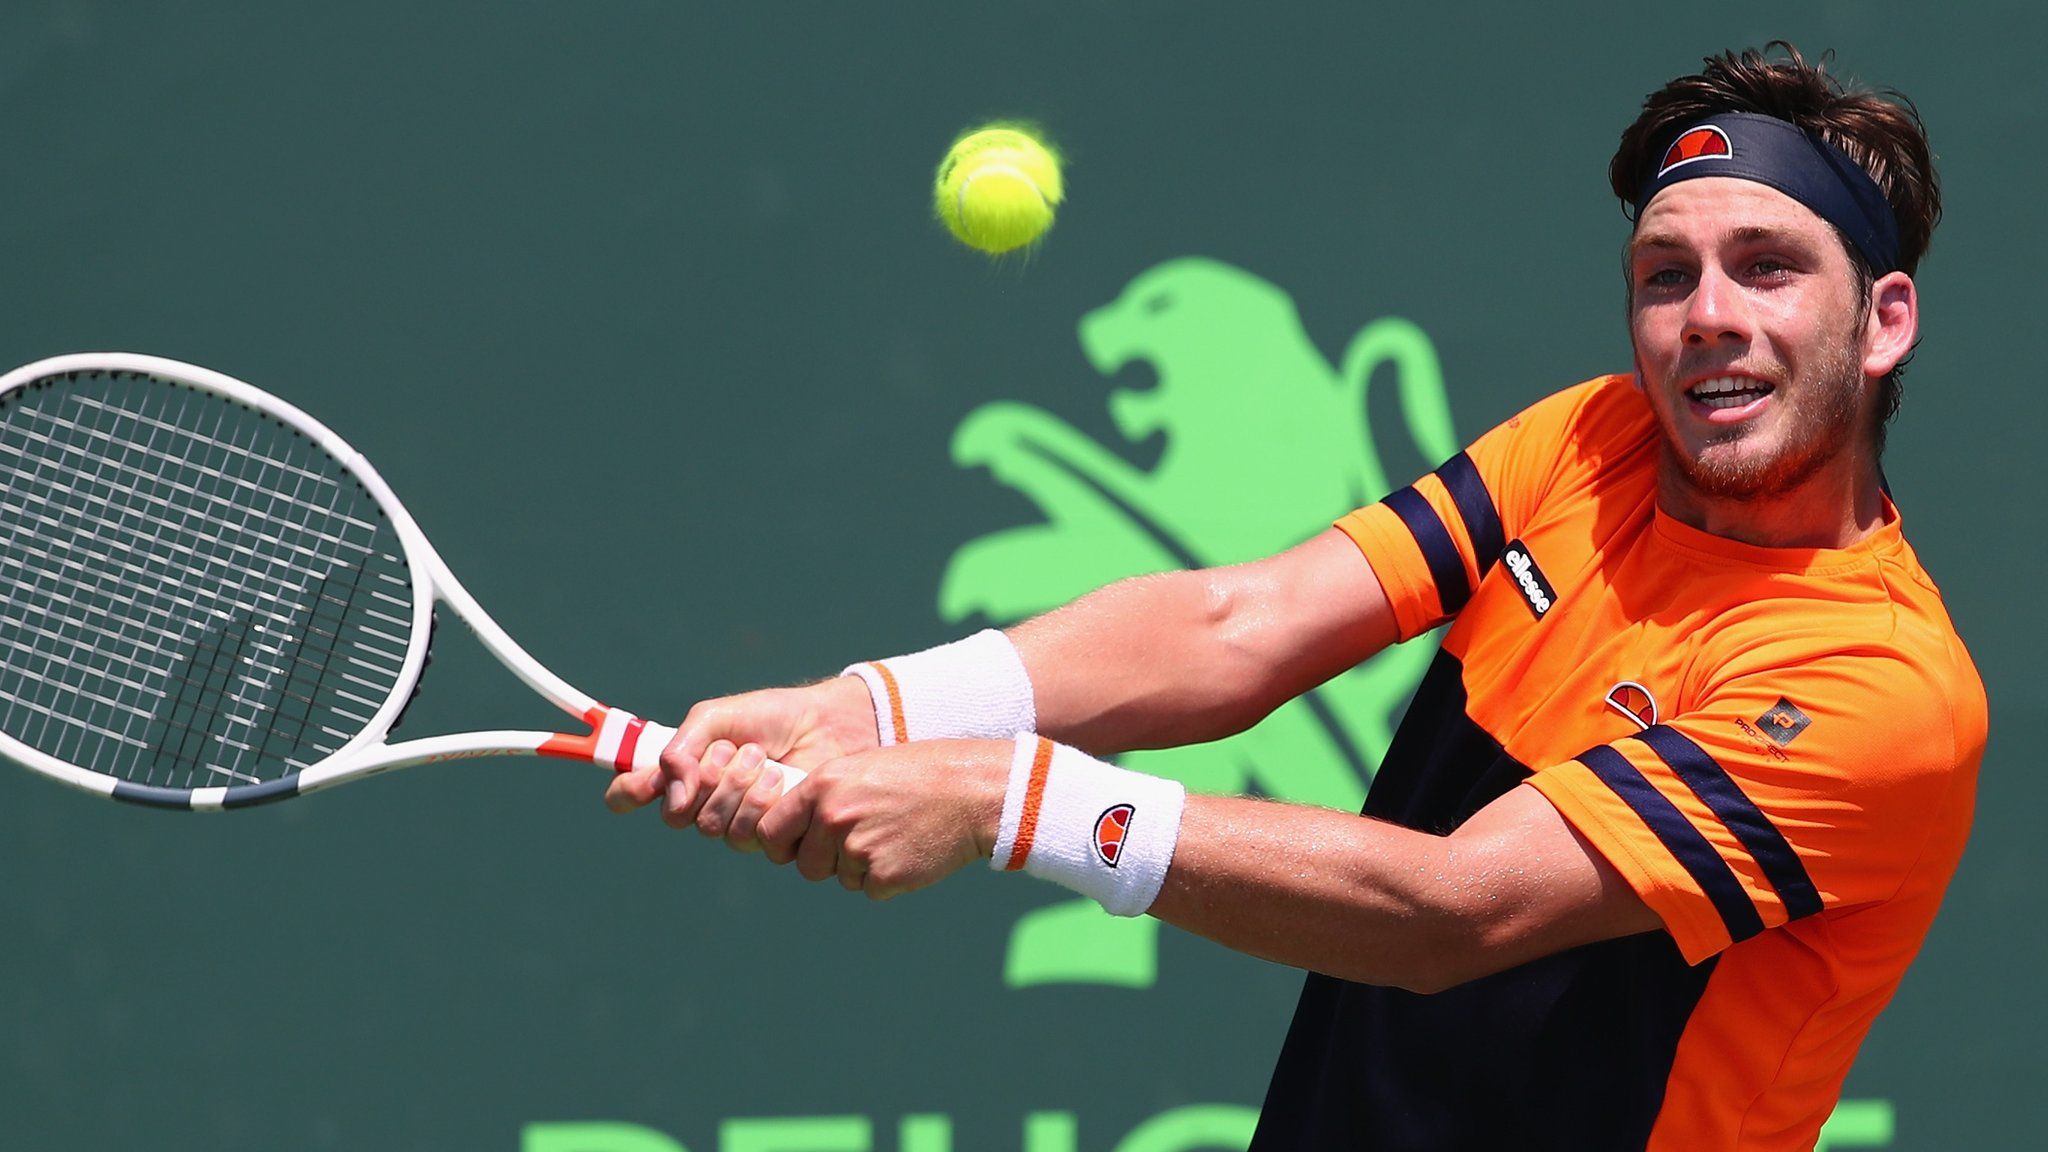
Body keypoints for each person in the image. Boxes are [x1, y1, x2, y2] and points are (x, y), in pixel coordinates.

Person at [607, 44, 1984, 1151]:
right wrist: (871, 705)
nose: (1708, 317)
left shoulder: (1879, 689)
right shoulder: (1596, 441)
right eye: (1664, 276)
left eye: (1770, 266)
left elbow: (1454, 913)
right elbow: (1242, 627)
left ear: (1885, 322)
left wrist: (1002, 799)